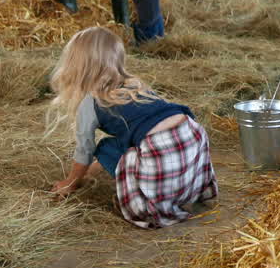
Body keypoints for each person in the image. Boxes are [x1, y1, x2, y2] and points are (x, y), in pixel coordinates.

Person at [50, 26, 217, 228]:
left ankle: (150, 200)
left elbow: (85, 150)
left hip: (161, 152)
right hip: (191, 136)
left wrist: (71, 181)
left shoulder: (91, 101)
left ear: (76, 65)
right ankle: (181, 192)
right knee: (123, 142)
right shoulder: (135, 86)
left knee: (104, 147)